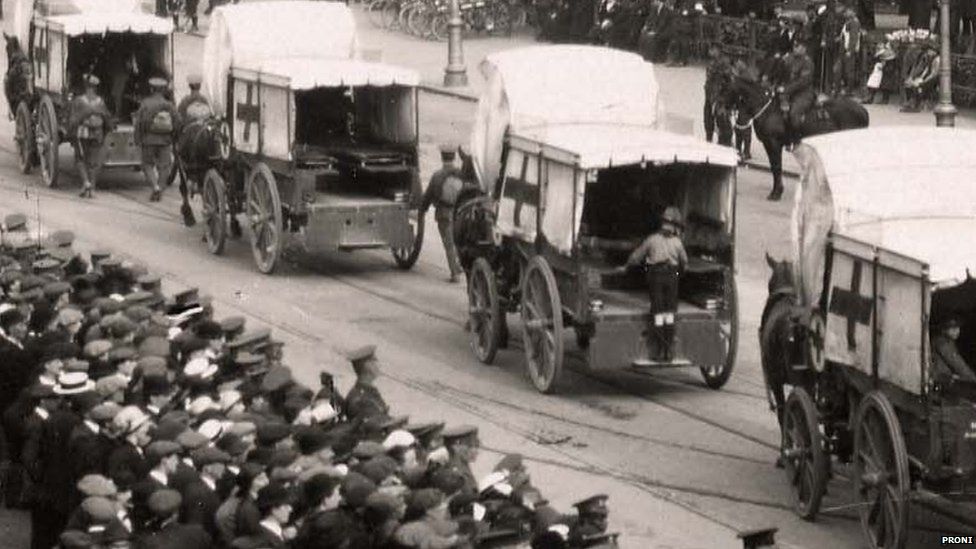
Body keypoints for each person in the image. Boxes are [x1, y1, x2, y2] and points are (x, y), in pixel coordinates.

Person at [625, 206, 688, 362]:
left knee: (658, 312)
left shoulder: (652, 240)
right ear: (675, 226)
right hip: (672, 277)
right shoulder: (678, 243)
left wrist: (626, 267)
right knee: (670, 313)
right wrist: (680, 273)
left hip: (657, 276)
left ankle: (659, 351)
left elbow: (636, 257)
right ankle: (669, 351)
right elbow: (684, 263)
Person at [421, 145, 465, 284]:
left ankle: (454, 273)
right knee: (457, 241)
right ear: (454, 157)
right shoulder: (460, 174)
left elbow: (428, 196)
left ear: (442, 157)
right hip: (459, 213)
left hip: (443, 213)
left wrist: (422, 210)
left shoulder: (437, 176)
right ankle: (459, 266)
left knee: (448, 243)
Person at [68, 75, 114, 199]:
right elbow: (107, 119)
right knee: (93, 161)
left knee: (80, 159)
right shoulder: (100, 102)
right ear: (96, 88)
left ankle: (86, 183)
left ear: (85, 86)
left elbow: (72, 121)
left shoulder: (78, 101)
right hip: (97, 134)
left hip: (82, 134)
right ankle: (92, 187)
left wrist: (70, 132)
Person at [135, 77, 179, 202]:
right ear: (164, 90)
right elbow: (177, 121)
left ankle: (155, 187)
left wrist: (138, 138)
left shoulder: (145, 103)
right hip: (165, 141)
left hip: (148, 140)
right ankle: (160, 188)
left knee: (147, 164)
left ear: (151, 89)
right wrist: (173, 137)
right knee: (165, 167)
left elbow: (139, 123)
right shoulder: (169, 105)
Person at [777, 41, 816, 139]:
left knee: (794, 112)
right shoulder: (790, 59)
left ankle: (797, 138)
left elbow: (803, 82)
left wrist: (785, 89)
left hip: (803, 94)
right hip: (788, 93)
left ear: (804, 48)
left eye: (797, 46)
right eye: (794, 46)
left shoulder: (808, 62)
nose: (795, 48)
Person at [931, 317, 976, 386]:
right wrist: (973, 378)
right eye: (953, 328)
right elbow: (958, 364)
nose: (957, 331)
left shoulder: (948, 341)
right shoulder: (942, 343)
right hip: (940, 380)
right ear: (944, 330)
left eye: (958, 328)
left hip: (944, 378)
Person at [901, 44, 939, 112]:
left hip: (933, 79)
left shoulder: (937, 60)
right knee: (908, 85)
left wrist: (923, 81)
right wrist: (912, 77)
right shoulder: (926, 58)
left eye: (930, 51)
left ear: (934, 52)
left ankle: (915, 104)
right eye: (928, 51)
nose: (928, 53)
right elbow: (921, 69)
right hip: (924, 77)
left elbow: (933, 74)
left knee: (918, 87)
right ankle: (911, 102)